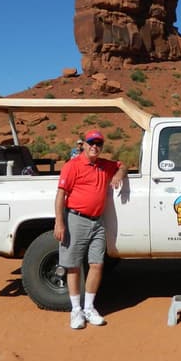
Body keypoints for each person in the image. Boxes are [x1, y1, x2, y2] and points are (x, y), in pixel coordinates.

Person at [54, 130, 127, 329]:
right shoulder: (72, 166)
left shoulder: (104, 165)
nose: (95, 146)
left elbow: (122, 165)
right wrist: (59, 222)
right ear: (83, 145)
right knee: (74, 266)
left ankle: (89, 308)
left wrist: (118, 174)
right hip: (75, 219)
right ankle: (75, 311)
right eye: (91, 143)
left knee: (97, 265)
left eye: (98, 143)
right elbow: (61, 196)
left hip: (97, 222)